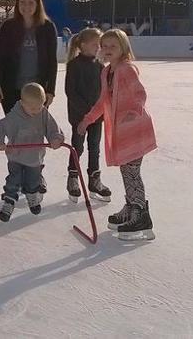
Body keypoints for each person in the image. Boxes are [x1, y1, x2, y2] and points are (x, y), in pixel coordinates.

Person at [78, 29, 157, 241]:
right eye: (105, 46)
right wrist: (87, 119)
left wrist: (133, 111)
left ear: (123, 48)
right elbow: (103, 101)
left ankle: (140, 215)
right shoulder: (107, 72)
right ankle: (133, 207)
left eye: (113, 46)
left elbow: (140, 94)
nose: (108, 50)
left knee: (132, 172)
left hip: (135, 129)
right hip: (122, 133)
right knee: (127, 171)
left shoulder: (127, 69)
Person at [0, 83, 64, 222]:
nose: (36, 110)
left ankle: (32, 196)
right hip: (16, 157)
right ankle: (9, 202)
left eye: (39, 106)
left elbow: (53, 128)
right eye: (32, 108)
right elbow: (0, 126)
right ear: (22, 103)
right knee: (14, 180)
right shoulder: (15, 115)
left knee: (33, 181)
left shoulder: (43, 113)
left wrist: (56, 138)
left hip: (34, 157)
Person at [0, 0, 59, 115]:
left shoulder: (47, 27)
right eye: (22, 2)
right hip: (12, 88)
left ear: (37, 5)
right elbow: (1, 57)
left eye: (30, 3)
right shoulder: (8, 27)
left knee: (35, 130)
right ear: (17, 4)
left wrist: (50, 90)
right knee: (15, 130)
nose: (26, 6)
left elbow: (52, 60)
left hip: (37, 90)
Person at [64, 28, 111, 203]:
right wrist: (86, 112)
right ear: (83, 46)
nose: (99, 48)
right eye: (95, 45)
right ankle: (73, 178)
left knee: (94, 147)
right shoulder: (74, 65)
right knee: (78, 146)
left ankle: (94, 180)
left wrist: (100, 110)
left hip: (97, 117)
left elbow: (105, 90)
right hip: (79, 116)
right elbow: (71, 91)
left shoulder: (100, 66)